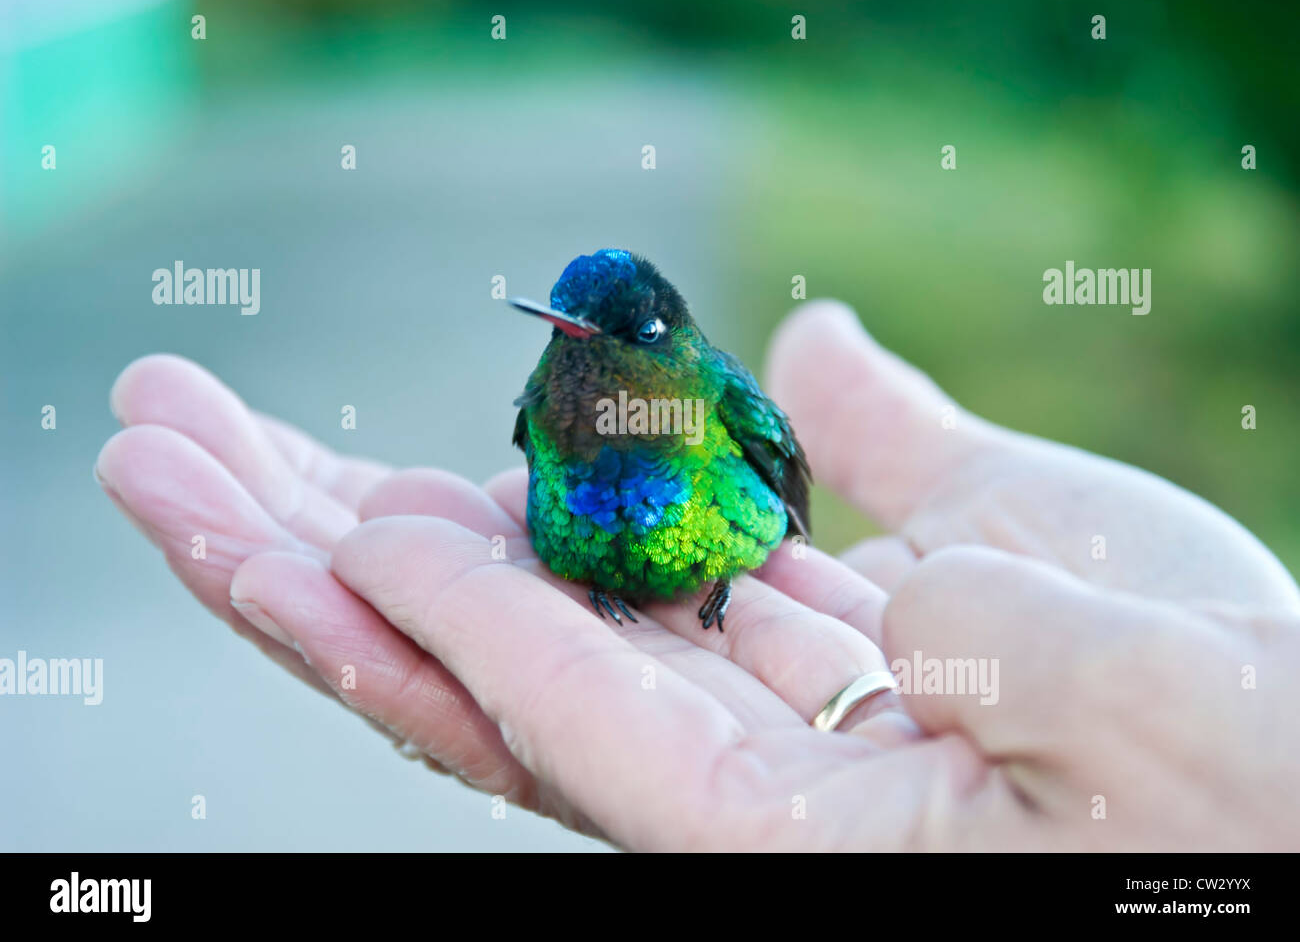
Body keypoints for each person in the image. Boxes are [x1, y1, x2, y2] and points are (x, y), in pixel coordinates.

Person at [95, 301, 1300, 850]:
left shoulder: (717, 391)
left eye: (605, 330)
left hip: (715, 559)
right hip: (587, 557)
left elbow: (780, 479)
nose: (573, 341)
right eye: (565, 324)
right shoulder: (545, 403)